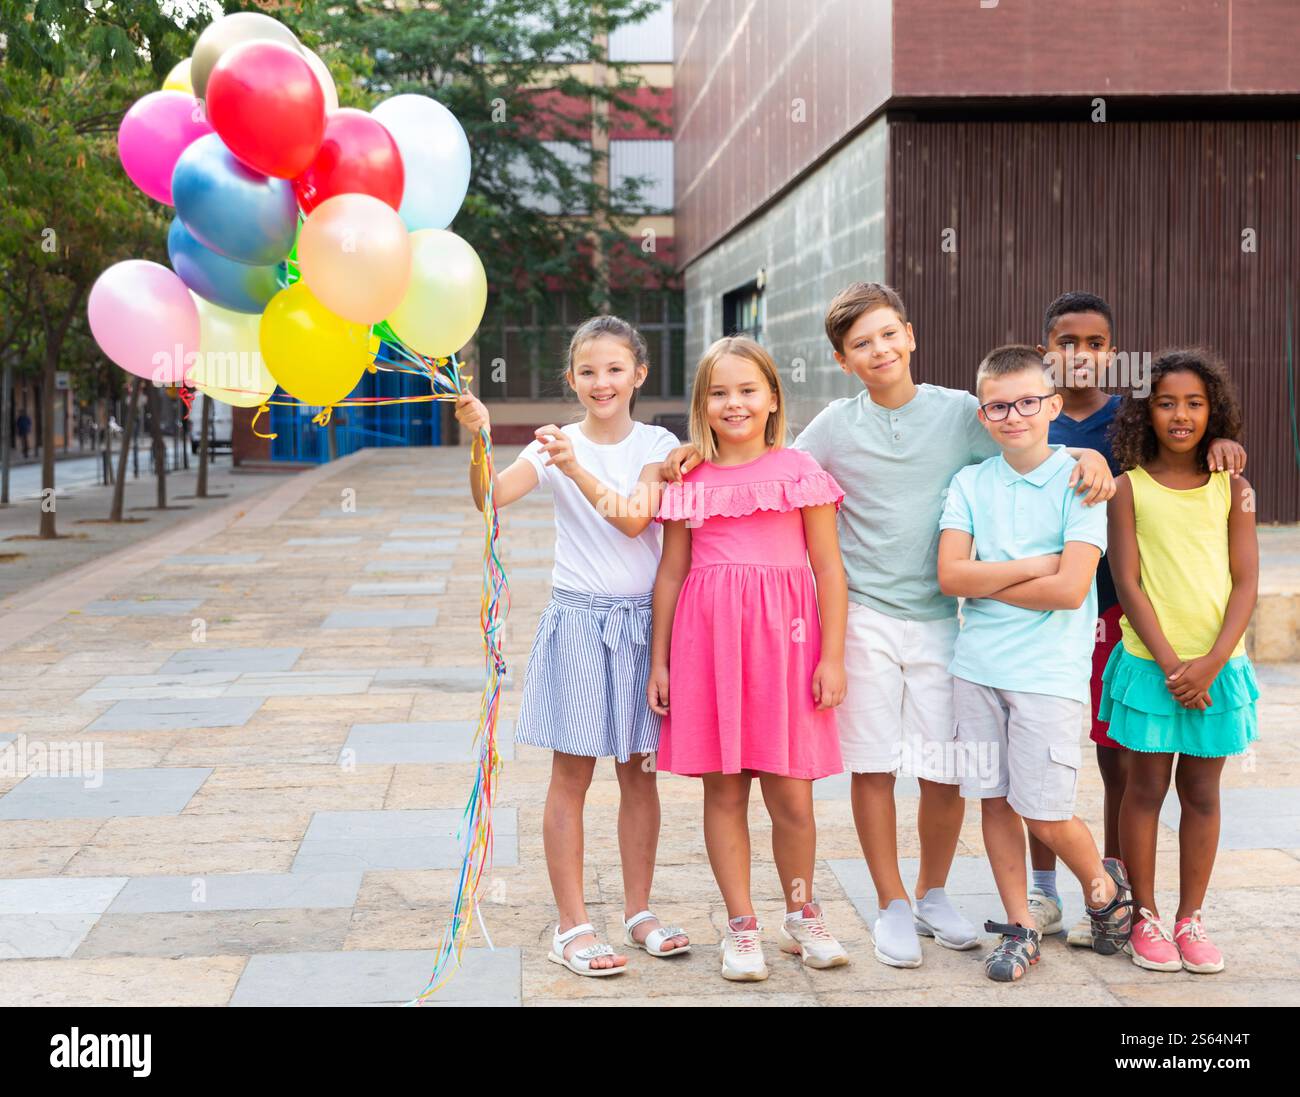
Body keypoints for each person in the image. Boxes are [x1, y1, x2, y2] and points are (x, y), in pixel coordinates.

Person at [665, 282, 1115, 969]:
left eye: (885, 334)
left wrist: (1089, 456)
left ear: (909, 335)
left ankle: (935, 891)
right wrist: (681, 455)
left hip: (943, 620)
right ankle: (892, 901)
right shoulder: (834, 428)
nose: (877, 350)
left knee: (944, 769)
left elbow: (1026, 430)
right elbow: (764, 461)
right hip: (864, 616)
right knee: (873, 765)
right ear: (844, 361)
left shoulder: (964, 412)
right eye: (858, 344)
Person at [454, 314, 690, 977]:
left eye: (615, 368)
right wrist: (477, 442)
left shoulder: (656, 442)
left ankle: (639, 910)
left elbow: (634, 517)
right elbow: (491, 501)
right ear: (571, 378)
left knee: (640, 775)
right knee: (572, 774)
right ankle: (572, 924)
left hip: (643, 626)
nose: (601, 381)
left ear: (638, 374)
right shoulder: (555, 443)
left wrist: (576, 467)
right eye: (588, 371)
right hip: (578, 623)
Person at [1027, 292, 1249, 948]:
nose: (1082, 355)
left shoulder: (1134, 413)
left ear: (1113, 353)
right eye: (1068, 341)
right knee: (1041, 750)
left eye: (1096, 343)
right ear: (1048, 350)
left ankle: (1121, 903)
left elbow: (1186, 426)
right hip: (1044, 613)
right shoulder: (1029, 416)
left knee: (1120, 762)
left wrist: (1225, 441)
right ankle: (1043, 892)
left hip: (1118, 616)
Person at [648, 334, 849, 982]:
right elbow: (671, 574)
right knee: (725, 791)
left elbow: (829, 568)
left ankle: (802, 910)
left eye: (747, 389)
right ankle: (741, 924)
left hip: (789, 650)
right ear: (702, 404)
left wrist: (833, 656)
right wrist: (660, 661)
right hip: (710, 650)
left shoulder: (798, 472)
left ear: (771, 398)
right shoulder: (688, 480)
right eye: (718, 391)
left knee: (793, 796)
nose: (733, 403)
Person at [937, 344, 1133, 982]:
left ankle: (1104, 890)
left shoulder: (1081, 481)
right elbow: (949, 575)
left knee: (1046, 808)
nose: (1013, 415)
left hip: (1047, 675)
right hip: (977, 668)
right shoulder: (970, 483)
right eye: (998, 406)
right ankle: (1021, 925)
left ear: (1052, 405)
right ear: (983, 414)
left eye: (1027, 402)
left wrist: (987, 581)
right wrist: (1033, 565)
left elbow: (1071, 590)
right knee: (993, 801)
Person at [1101, 349, 1258, 974]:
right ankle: (1146, 917)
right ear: (1147, 411)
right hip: (1150, 666)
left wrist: (1213, 662)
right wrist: (1173, 666)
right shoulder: (1126, 487)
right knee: (1143, 791)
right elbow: (1128, 584)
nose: (1181, 414)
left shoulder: (1235, 488)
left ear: (1212, 409)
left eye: (1195, 403)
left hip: (1220, 667)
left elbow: (1246, 583)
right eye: (1167, 402)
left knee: (1202, 792)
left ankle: (1191, 918)